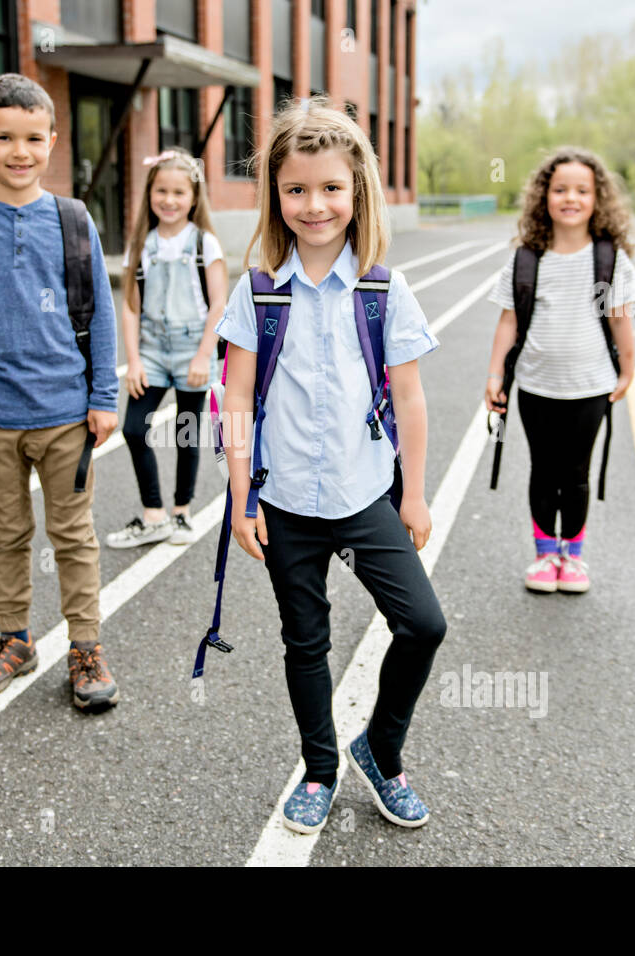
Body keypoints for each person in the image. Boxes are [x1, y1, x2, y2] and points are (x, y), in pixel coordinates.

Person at [217, 97, 447, 834]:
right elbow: (239, 399)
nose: (314, 205)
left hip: (364, 492)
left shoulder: (384, 290)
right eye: (296, 189)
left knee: (423, 624)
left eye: (330, 189)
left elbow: (409, 399)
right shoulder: (258, 291)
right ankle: (319, 770)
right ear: (275, 196)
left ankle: (380, 751)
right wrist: (239, 497)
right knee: (305, 640)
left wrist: (415, 495)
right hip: (285, 500)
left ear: (356, 193)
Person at [0, 73, 122, 711]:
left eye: (33, 138)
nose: (20, 151)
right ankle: (15, 639)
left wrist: (103, 396)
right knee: (6, 533)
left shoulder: (73, 221)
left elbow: (100, 316)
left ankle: (86, 647)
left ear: (52, 142)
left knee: (73, 535)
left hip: (66, 415)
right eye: (4, 137)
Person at [483, 146, 635, 594]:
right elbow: (509, 320)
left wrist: (627, 372)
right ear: (544, 197)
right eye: (559, 189)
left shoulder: (610, 259)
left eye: (581, 190)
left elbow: (620, 319)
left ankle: (571, 557)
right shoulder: (527, 259)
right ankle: (542, 556)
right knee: (542, 470)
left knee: (575, 475)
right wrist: (495, 375)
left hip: (590, 388)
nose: (570, 198)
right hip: (535, 387)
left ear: (597, 199)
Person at [107, 147, 228, 549]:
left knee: (186, 433)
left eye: (179, 192)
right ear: (149, 193)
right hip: (153, 350)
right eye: (162, 191)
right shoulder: (141, 243)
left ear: (193, 198)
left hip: (194, 345)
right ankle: (153, 514)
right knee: (134, 428)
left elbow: (219, 306)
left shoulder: (204, 243)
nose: (169, 200)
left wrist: (202, 356)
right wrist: (135, 362)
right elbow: (130, 308)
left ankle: (181, 513)